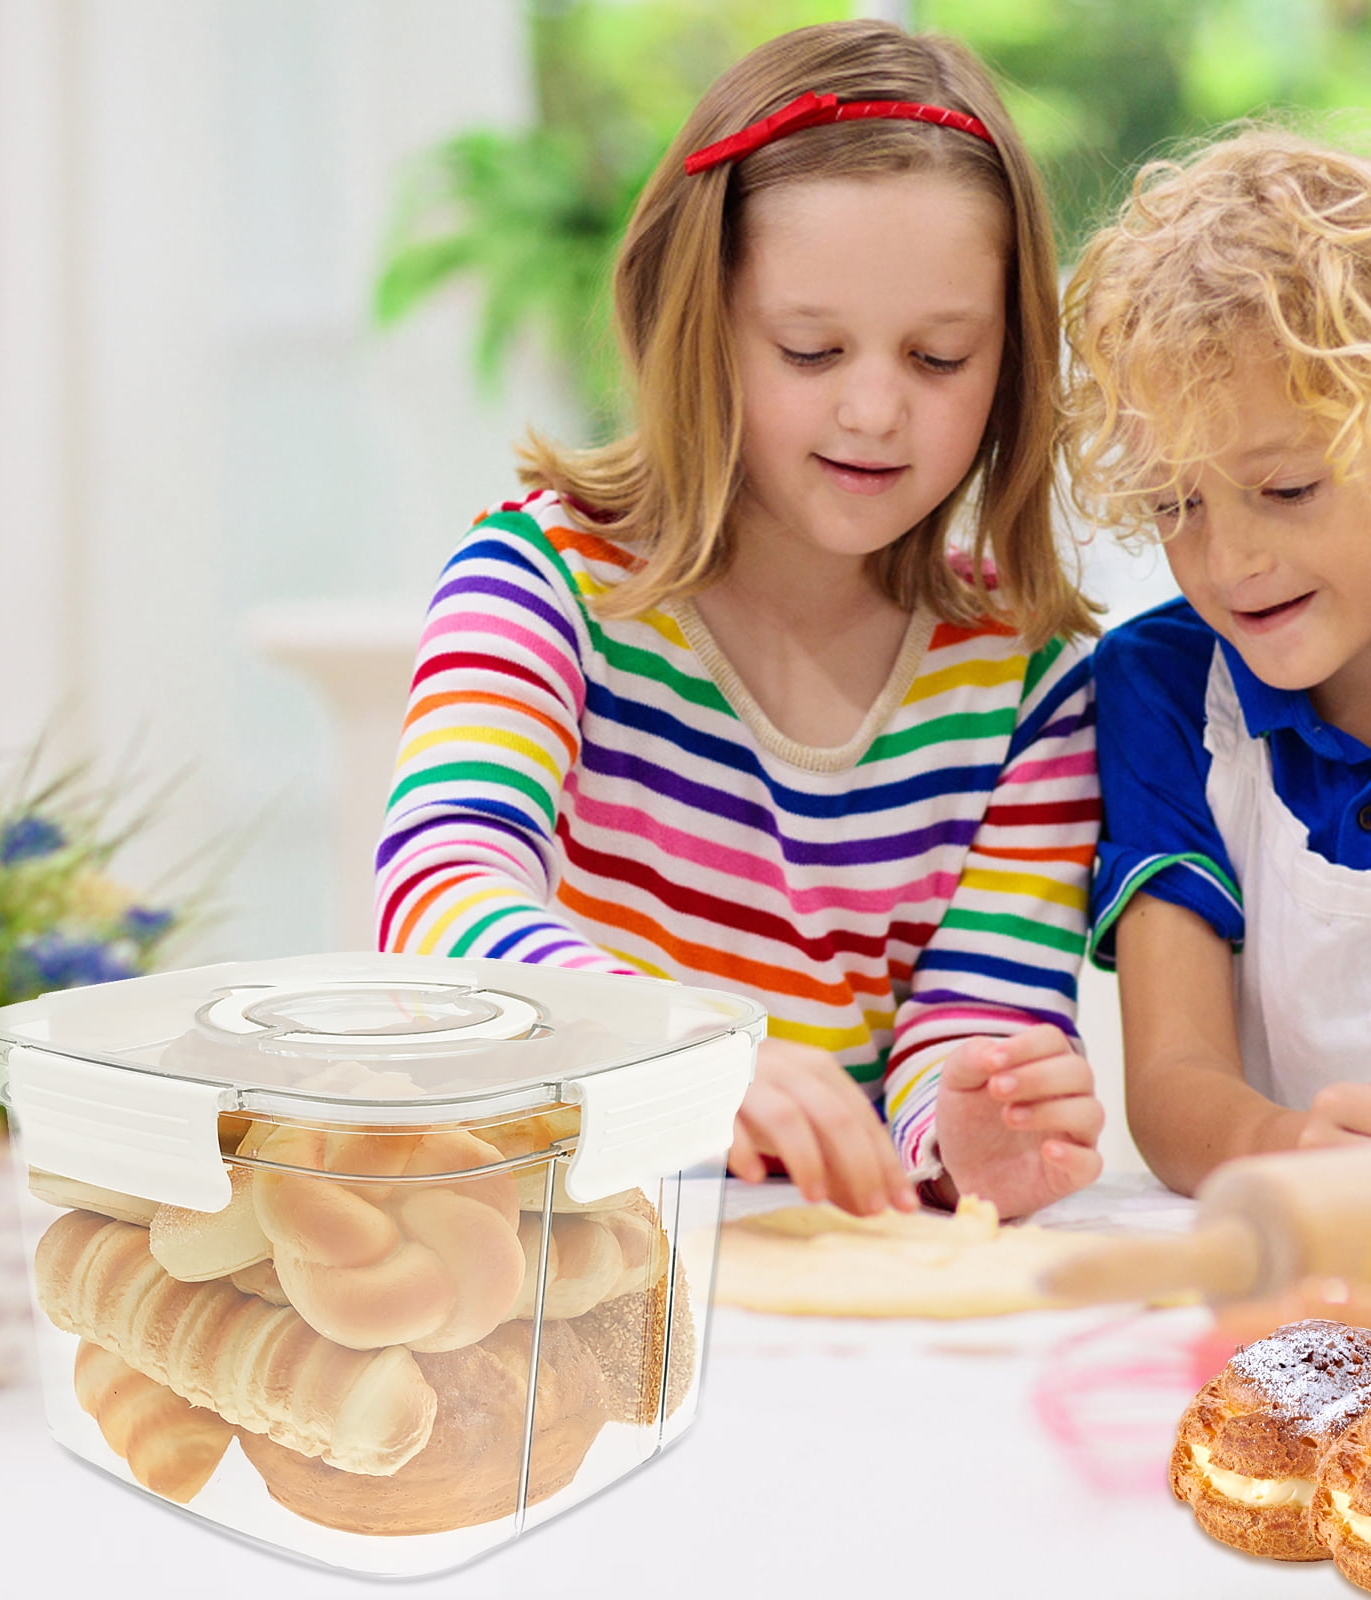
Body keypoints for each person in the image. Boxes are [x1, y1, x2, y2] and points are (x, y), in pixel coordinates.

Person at [376, 19, 1104, 1220]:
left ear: (1011, 361)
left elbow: (974, 1017)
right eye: (808, 349)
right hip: (555, 1266)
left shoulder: (1024, 676)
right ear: (696, 320)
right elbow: (439, 891)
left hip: (825, 1304)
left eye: (938, 357)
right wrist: (682, 1044)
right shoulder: (542, 581)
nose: (873, 409)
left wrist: (967, 1133)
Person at [1061, 127, 1371, 1196]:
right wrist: (1293, 1152)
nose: (1226, 561)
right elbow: (1175, 1079)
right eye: (1174, 506)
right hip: (1295, 1279)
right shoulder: (1161, 691)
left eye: (1285, 489)